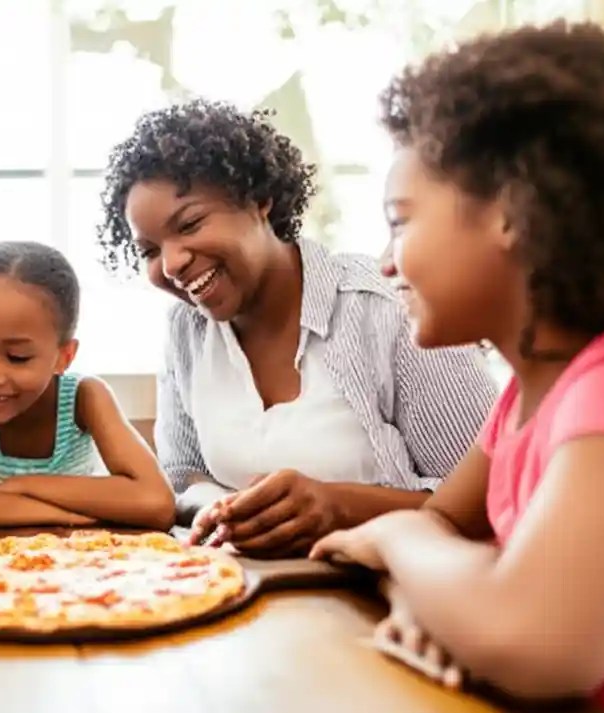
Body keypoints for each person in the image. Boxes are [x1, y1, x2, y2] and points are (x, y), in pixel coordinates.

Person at [310, 22, 604, 713]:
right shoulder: (526, 402)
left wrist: (394, 538)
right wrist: (434, 599)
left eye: (400, 222)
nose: (384, 263)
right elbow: (446, 522)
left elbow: (536, 641)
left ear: (510, 211)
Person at [95, 99, 498, 556]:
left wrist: (338, 505)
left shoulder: (388, 309)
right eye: (149, 251)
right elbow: (183, 471)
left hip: (390, 593)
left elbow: (495, 498)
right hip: (246, 592)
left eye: (190, 224)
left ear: (260, 200)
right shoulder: (187, 328)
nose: (171, 265)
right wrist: (221, 507)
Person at [0, 241, 175, 529]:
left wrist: (24, 484)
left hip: (76, 560)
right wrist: (56, 514)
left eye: (17, 357)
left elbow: (156, 503)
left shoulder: (84, 397)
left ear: (64, 356)